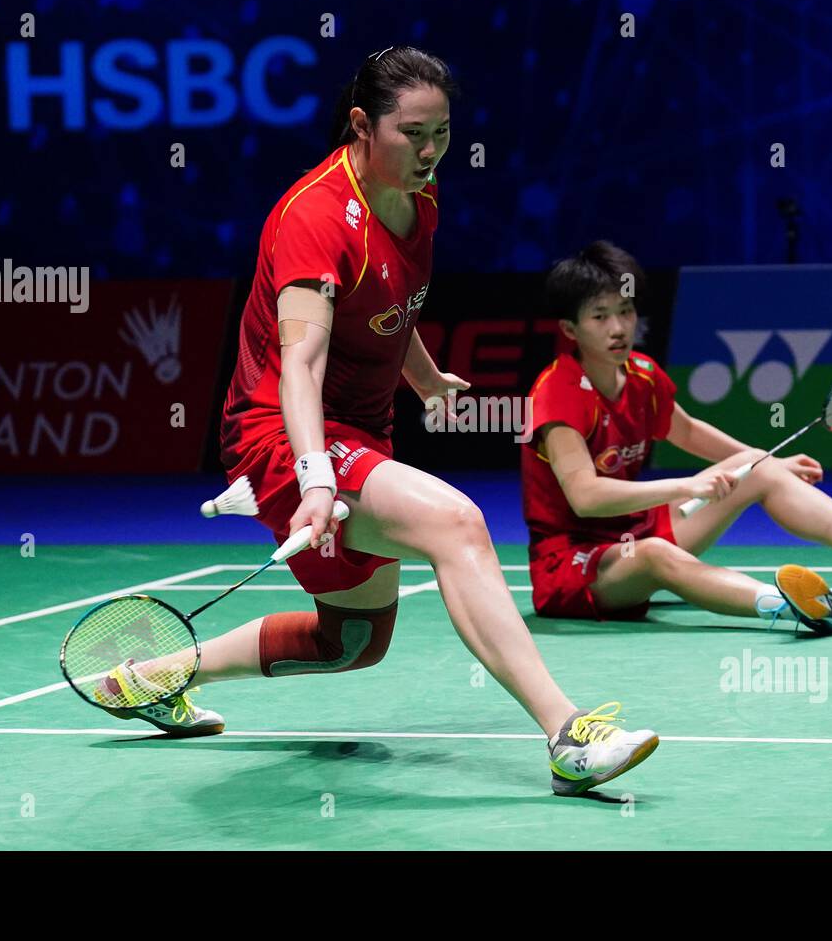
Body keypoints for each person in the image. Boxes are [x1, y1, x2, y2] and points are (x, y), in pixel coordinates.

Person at [94, 49, 656, 797]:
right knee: (458, 525)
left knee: (351, 641)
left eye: (444, 135)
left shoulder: (417, 200)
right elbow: (301, 361)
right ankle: (567, 736)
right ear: (362, 124)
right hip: (280, 431)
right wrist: (313, 477)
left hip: (359, 428)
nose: (430, 154)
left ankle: (158, 677)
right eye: (413, 134)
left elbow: (388, 304)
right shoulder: (312, 218)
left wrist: (423, 377)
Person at [522, 240, 832, 625]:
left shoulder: (641, 374)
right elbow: (585, 496)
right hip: (574, 566)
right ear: (570, 328)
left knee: (756, 466)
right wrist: (687, 485)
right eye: (600, 316)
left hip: (637, 527)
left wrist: (767, 463)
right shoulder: (559, 392)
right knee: (656, 555)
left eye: (625, 311)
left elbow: (686, 431)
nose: (619, 327)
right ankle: (792, 606)